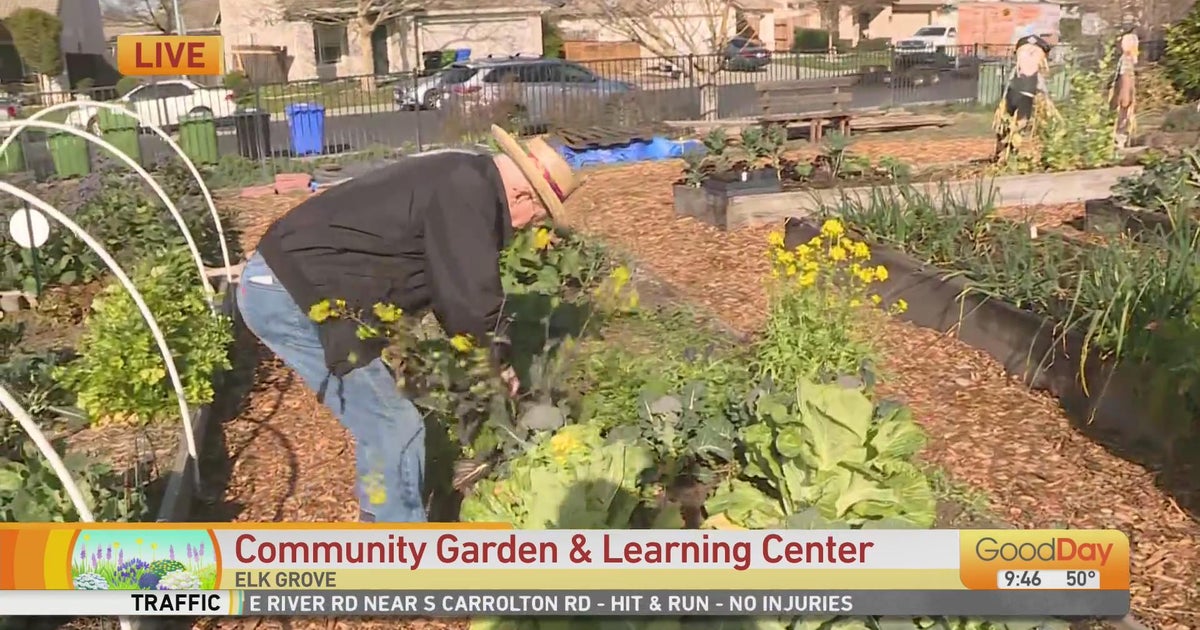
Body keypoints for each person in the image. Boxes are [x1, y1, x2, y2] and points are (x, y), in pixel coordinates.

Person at [236, 125, 579, 523]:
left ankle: (380, 521)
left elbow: (444, 281)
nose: (529, 226)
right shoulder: (468, 191)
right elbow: (467, 294)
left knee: (384, 421)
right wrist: (497, 362)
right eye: (537, 215)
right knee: (393, 425)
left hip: (297, 286)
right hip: (292, 294)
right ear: (522, 195)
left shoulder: (463, 177)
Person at [994, 34, 1054, 160]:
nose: (1028, 56)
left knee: (1022, 125)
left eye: (1032, 53)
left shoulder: (1033, 76)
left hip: (1025, 97)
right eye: (1025, 52)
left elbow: (1042, 92)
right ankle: (1005, 152)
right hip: (1017, 96)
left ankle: (1015, 152)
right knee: (1010, 124)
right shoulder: (1018, 74)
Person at [1111, 27, 1139, 148]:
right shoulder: (1127, 58)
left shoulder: (1127, 59)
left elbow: (1126, 76)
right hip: (1124, 89)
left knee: (1122, 113)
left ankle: (1120, 138)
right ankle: (1121, 137)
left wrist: (1125, 93)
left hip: (1123, 89)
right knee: (1123, 113)